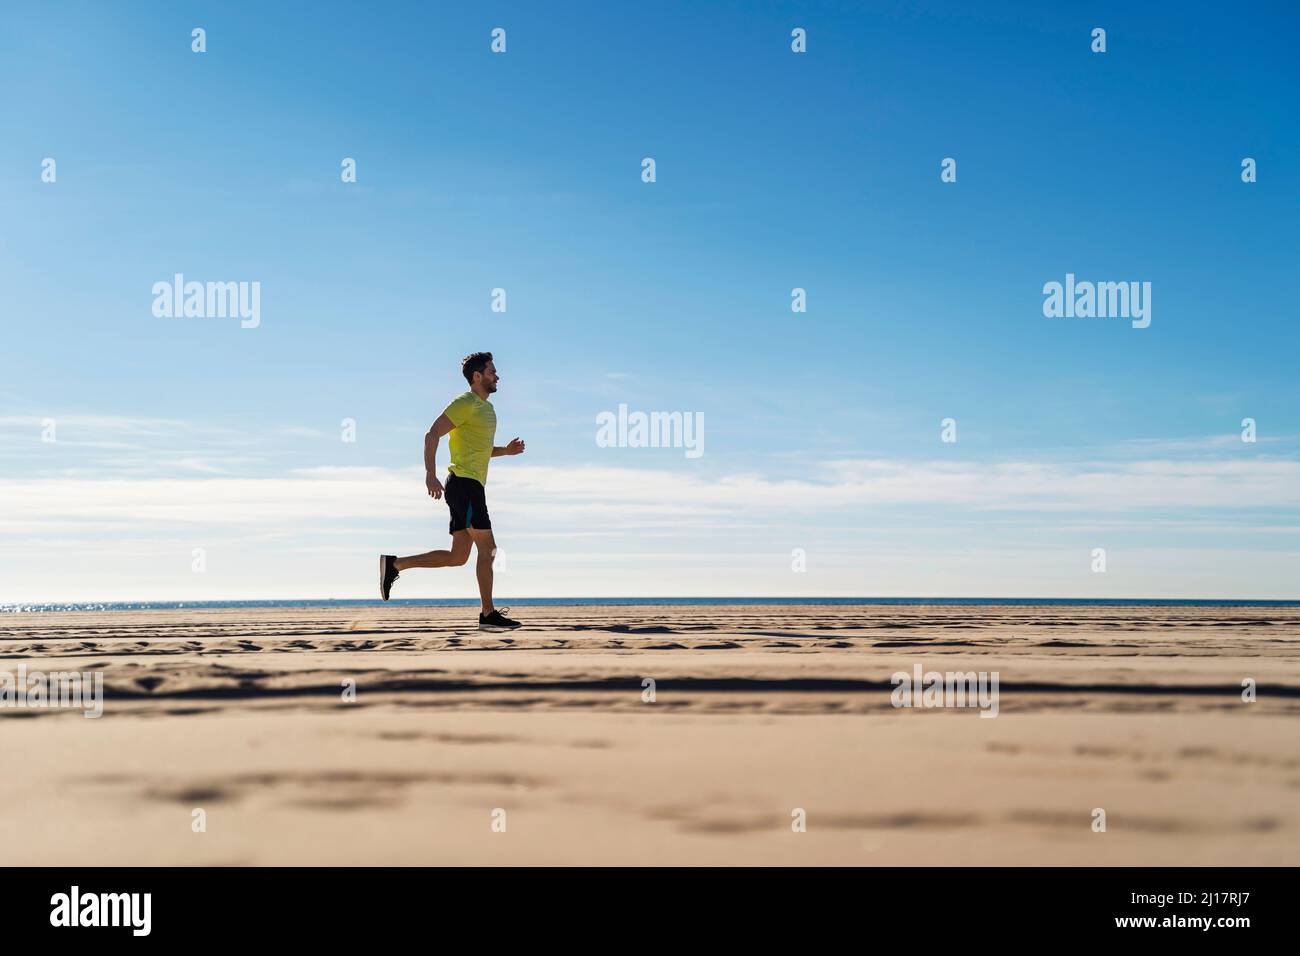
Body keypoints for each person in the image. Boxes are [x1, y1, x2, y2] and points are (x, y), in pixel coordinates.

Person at [379, 352, 524, 630]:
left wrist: (505, 451)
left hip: (469, 486)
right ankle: (487, 615)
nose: (497, 375)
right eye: (492, 371)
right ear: (477, 376)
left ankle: (394, 565)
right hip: (464, 485)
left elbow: (479, 451)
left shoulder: (488, 410)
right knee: (488, 549)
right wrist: (429, 474)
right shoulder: (465, 403)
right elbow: (432, 434)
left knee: (458, 557)